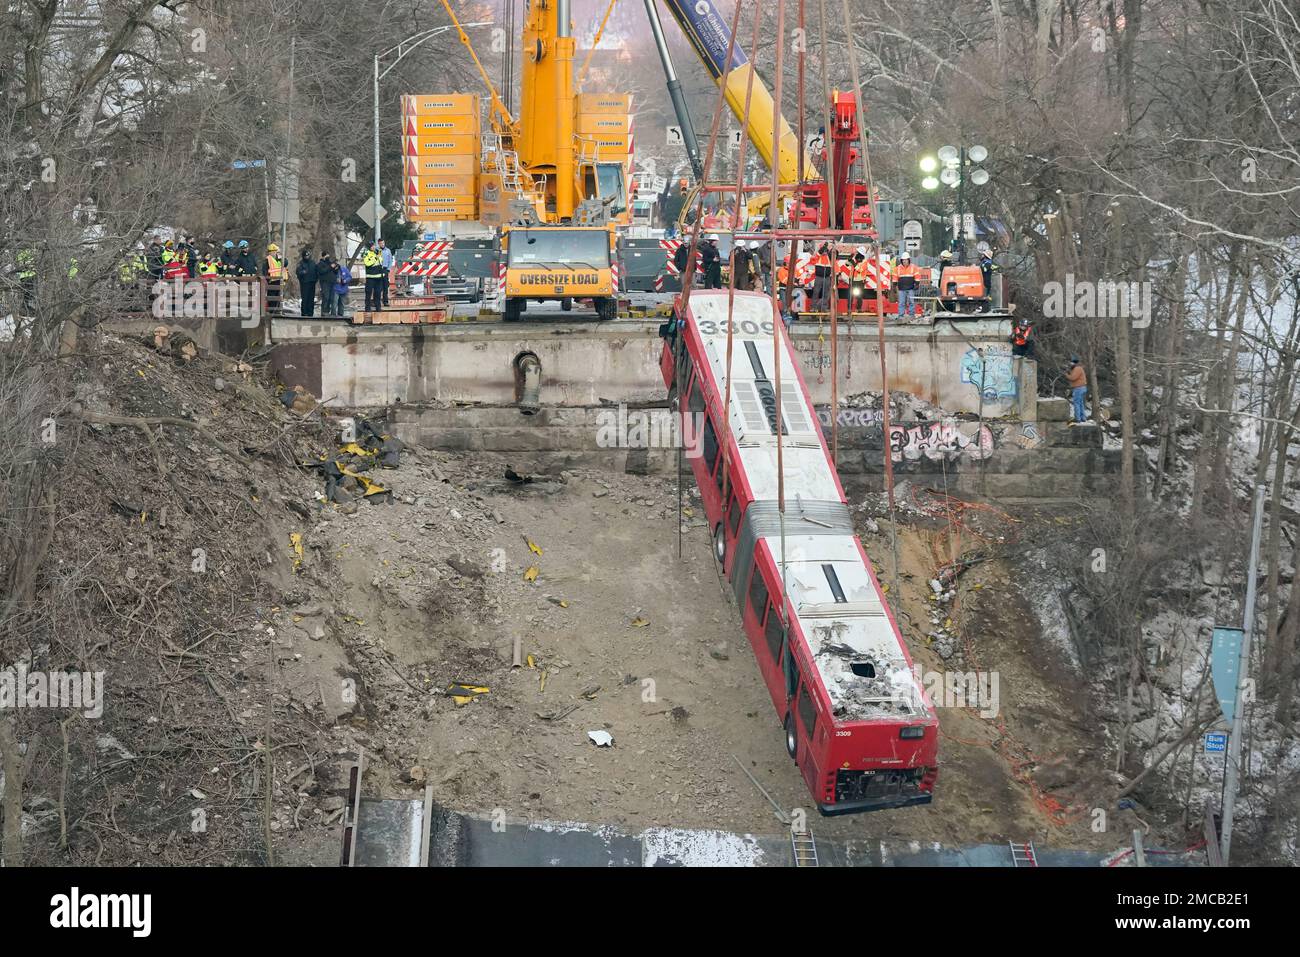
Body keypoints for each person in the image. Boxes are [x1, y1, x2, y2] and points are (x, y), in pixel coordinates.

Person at [894, 252, 920, 317]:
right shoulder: (897, 268)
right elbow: (895, 277)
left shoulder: (914, 267)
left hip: (911, 288)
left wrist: (917, 284)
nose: (904, 261)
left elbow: (917, 276)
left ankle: (911, 315)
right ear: (901, 260)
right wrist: (894, 285)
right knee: (901, 303)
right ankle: (901, 315)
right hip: (901, 289)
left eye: (906, 260)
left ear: (909, 260)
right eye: (903, 260)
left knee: (911, 302)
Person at [263, 242, 285, 314]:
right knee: (272, 297)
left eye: (275, 251)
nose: (274, 253)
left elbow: (285, 263)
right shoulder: (267, 260)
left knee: (278, 296)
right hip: (271, 281)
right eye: (272, 252)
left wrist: (281, 257)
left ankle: (277, 311)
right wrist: (268, 279)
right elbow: (265, 271)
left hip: (279, 281)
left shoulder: (279, 259)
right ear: (270, 252)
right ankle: (271, 311)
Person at [362, 243, 384, 312]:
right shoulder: (366, 253)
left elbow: (381, 262)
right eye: (372, 246)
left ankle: (378, 307)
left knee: (378, 293)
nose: (374, 247)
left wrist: (378, 256)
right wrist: (375, 258)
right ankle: (367, 308)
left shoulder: (377, 253)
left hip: (379, 277)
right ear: (369, 247)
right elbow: (367, 263)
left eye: (374, 246)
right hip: (370, 277)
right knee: (368, 293)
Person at [1066, 356, 1088, 424]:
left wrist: (1066, 374)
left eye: (1070, 362)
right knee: (1080, 403)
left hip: (1079, 388)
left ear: (1073, 362)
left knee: (1076, 403)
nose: (1069, 364)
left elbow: (1073, 378)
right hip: (1082, 388)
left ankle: (1077, 418)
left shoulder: (1077, 368)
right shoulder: (1078, 368)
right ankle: (1083, 418)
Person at [811, 243, 833, 312]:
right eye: (823, 250)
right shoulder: (818, 256)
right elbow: (813, 259)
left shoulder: (829, 256)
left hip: (827, 277)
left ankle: (824, 308)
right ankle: (813, 307)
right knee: (816, 292)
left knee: (826, 293)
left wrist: (829, 247)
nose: (825, 251)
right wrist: (820, 251)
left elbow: (835, 254)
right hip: (819, 277)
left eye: (825, 250)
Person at [316, 252, 337, 316]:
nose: (328, 258)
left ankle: (328, 311)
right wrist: (330, 267)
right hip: (325, 283)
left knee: (331, 298)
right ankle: (324, 311)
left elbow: (335, 272)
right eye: (326, 257)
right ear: (323, 256)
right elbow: (322, 271)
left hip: (332, 282)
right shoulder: (320, 264)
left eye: (328, 257)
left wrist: (335, 268)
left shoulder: (330, 263)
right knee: (326, 297)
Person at [378, 238, 394, 307]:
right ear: (379, 244)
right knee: (378, 287)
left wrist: (388, 269)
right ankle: (377, 301)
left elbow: (390, 260)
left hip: (385, 270)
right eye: (381, 243)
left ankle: (385, 302)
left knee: (385, 286)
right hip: (378, 270)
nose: (382, 244)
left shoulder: (388, 251)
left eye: (383, 243)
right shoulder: (377, 250)